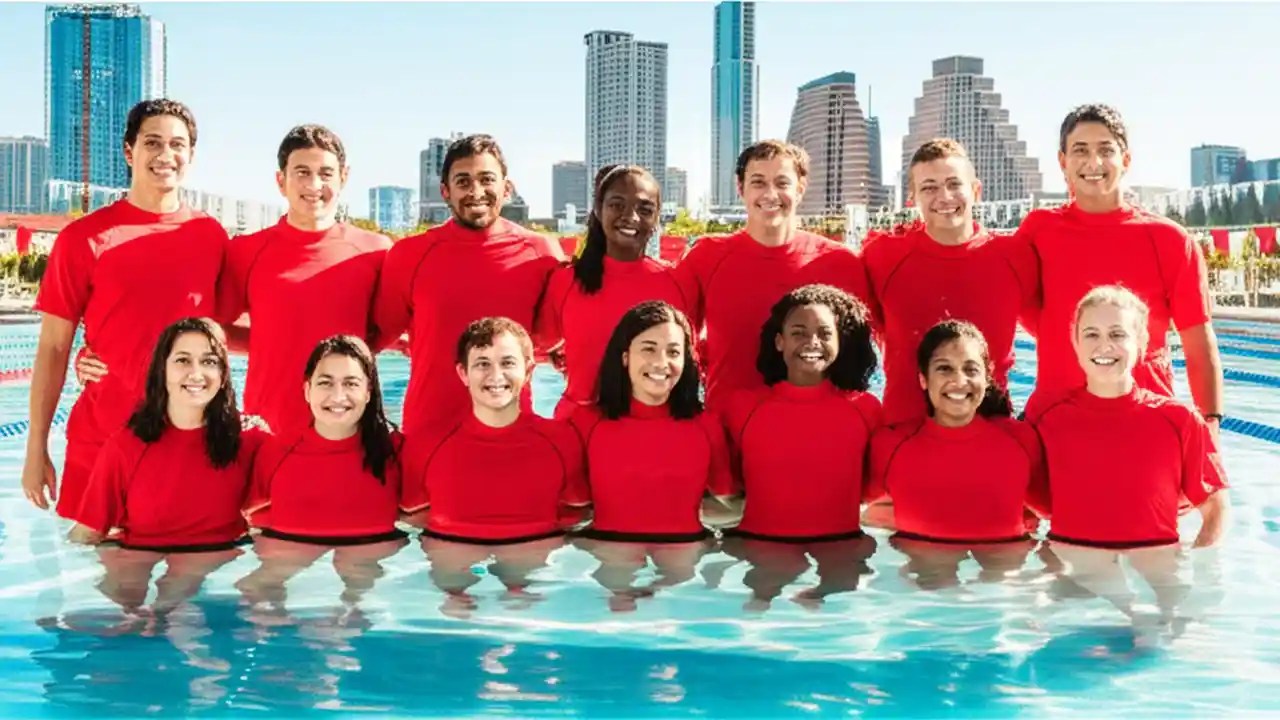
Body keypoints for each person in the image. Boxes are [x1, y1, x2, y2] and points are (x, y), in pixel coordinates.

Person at [75, 124, 393, 438]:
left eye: (325, 173)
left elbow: (395, 326)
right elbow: (205, 326)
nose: (313, 184)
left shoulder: (375, 252)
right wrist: (101, 353)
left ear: (344, 177)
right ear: (281, 181)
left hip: (349, 426)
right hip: (268, 431)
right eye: (301, 172)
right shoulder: (248, 250)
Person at [22, 99, 230, 517]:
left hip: (188, 442)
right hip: (102, 439)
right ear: (128, 151)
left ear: (191, 155)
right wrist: (35, 448)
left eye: (177, 144)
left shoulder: (210, 236)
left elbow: (225, 331)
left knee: (189, 576)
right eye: (152, 142)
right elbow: (53, 348)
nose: (165, 155)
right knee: (109, 579)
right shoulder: (83, 238)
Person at [1018, 104, 1224, 437]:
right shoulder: (1039, 231)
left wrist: (1211, 422)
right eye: (1080, 151)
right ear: (1063, 162)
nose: (1093, 163)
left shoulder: (1168, 239)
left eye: (1105, 150)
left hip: (1147, 427)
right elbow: (1019, 306)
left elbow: (1198, 342)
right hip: (1055, 427)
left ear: (1125, 160)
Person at [67, 318, 263, 614]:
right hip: (135, 552)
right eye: (182, 360)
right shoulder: (126, 445)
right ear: (163, 371)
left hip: (212, 555)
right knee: (122, 600)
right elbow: (86, 532)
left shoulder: (249, 440)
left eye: (209, 361)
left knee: (177, 593)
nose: (196, 373)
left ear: (223, 374)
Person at [372, 134, 564, 433]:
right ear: (445, 191)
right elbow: (377, 336)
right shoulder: (410, 255)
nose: (476, 191)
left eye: (487, 179)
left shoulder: (542, 253)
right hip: (430, 432)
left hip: (513, 431)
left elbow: (552, 337)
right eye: (463, 182)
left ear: (507, 188)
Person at [1025, 285, 1228, 550]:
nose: (1104, 345)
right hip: (1072, 566)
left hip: (1155, 566)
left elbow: (1215, 507)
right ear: (1075, 342)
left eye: (1117, 334)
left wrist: (1196, 567)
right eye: (1091, 335)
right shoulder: (1048, 419)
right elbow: (1027, 501)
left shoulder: (1180, 420)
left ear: (1142, 342)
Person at [678, 140, 870, 412]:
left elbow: (858, 357)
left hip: (818, 425)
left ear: (800, 188)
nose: (770, 194)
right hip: (728, 430)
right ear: (740, 188)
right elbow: (677, 342)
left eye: (782, 183)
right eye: (758, 182)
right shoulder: (705, 258)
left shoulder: (840, 262)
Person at [862, 139, 1039, 427]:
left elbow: (1052, 330)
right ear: (912, 197)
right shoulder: (882, 257)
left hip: (991, 432)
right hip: (906, 433)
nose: (944, 197)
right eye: (929, 187)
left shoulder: (1015, 257)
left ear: (976, 191)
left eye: (954, 184)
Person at [866, 321, 1046, 587]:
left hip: (1007, 591)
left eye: (970, 369)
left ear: (986, 378)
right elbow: (854, 511)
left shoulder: (1020, 440)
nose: (959, 380)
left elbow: (1051, 512)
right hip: (919, 595)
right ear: (923, 379)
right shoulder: (891, 445)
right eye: (944, 368)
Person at [238, 335, 407, 610]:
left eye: (350, 383)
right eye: (325, 383)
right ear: (307, 390)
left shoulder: (395, 452)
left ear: (368, 392)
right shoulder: (277, 452)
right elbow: (252, 524)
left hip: (367, 578)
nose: (338, 396)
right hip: (283, 577)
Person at [399, 317, 589, 542]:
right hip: (454, 557)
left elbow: (580, 516)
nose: (496, 376)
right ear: (463, 373)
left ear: (528, 371)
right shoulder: (425, 446)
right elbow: (412, 519)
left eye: (507, 363)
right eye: (482, 364)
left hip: (533, 562)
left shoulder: (562, 440)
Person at [721, 284, 881, 542]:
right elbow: (729, 486)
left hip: (841, 547)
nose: (812, 342)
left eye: (825, 333)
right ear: (779, 342)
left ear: (839, 342)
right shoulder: (742, 408)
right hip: (759, 547)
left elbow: (872, 491)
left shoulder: (866, 409)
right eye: (799, 333)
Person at [537, 166, 693, 419]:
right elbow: (539, 346)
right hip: (579, 429)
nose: (630, 217)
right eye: (617, 205)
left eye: (644, 210)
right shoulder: (566, 280)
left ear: (657, 219)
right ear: (598, 210)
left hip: (649, 430)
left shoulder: (676, 282)